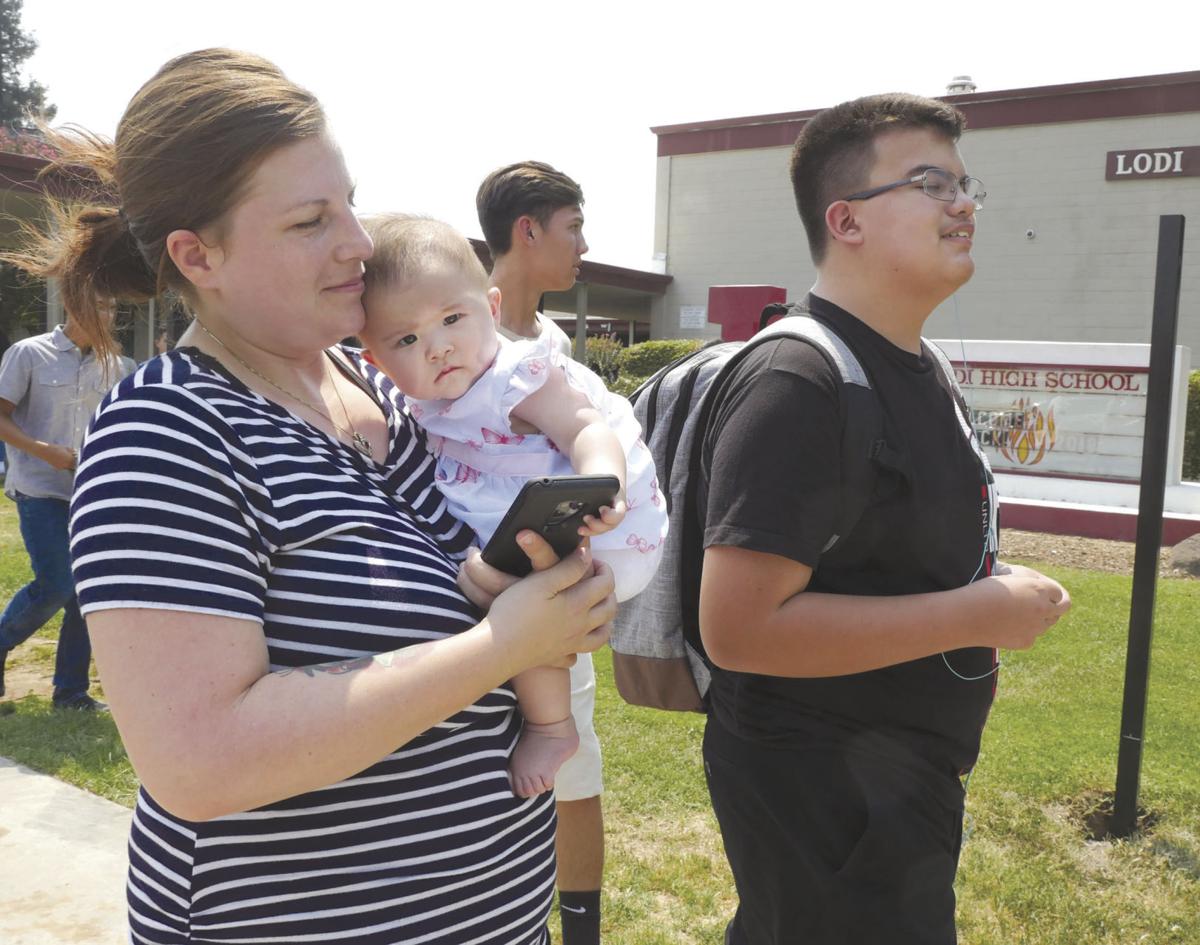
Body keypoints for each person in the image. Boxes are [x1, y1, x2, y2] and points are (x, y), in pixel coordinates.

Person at [8, 49, 614, 945]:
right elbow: (200, 760)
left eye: (351, 204)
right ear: (196, 254)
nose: (360, 244)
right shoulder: (166, 431)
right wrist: (504, 645)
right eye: (310, 221)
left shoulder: (393, 387)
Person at [696, 93, 1073, 945]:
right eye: (931, 182)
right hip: (824, 793)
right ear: (847, 220)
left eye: (967, 184)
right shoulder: (799, 380)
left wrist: (987, 587)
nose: (964, 203)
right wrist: (979, 613)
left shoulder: (917, 365)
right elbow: (740, 629)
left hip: (899, 784)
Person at [358, 214, 666, 798]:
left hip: (603, 527)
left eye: (452, 318)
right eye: (407, 339)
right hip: (552, 533)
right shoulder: (423, 403)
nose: (439, 345)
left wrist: (604, 484)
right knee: (504, 591)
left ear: (492, 309)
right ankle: (551, 722)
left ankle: (553, 728)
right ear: (374, 361)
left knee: (514, 596)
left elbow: (584, 426)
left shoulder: (511, 375)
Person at [477, 161, 605, 945]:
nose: (585, 245)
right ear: (528, 231)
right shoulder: (453, 328)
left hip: (558, 595)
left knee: (576, 772)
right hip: (478, 603)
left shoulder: (552, 341)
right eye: (575, 226)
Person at [0, 310, 134, 709]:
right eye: (99, 305)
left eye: (111, 307)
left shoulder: (121, 366)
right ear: (74, 306)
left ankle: (71, 691)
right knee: (59, 582)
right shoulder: (28, 353)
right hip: (39, 489)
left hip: (94, 492)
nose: (107, 315)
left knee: (87, 592)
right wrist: (45, 452)